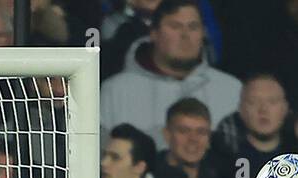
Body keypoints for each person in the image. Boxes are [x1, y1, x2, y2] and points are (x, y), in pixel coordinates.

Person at [99, 0, 241, 150]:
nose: (185, 35)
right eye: (175, 26)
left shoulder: (232, 90)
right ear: (154, 33)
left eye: (193, 27)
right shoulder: (115, 92)